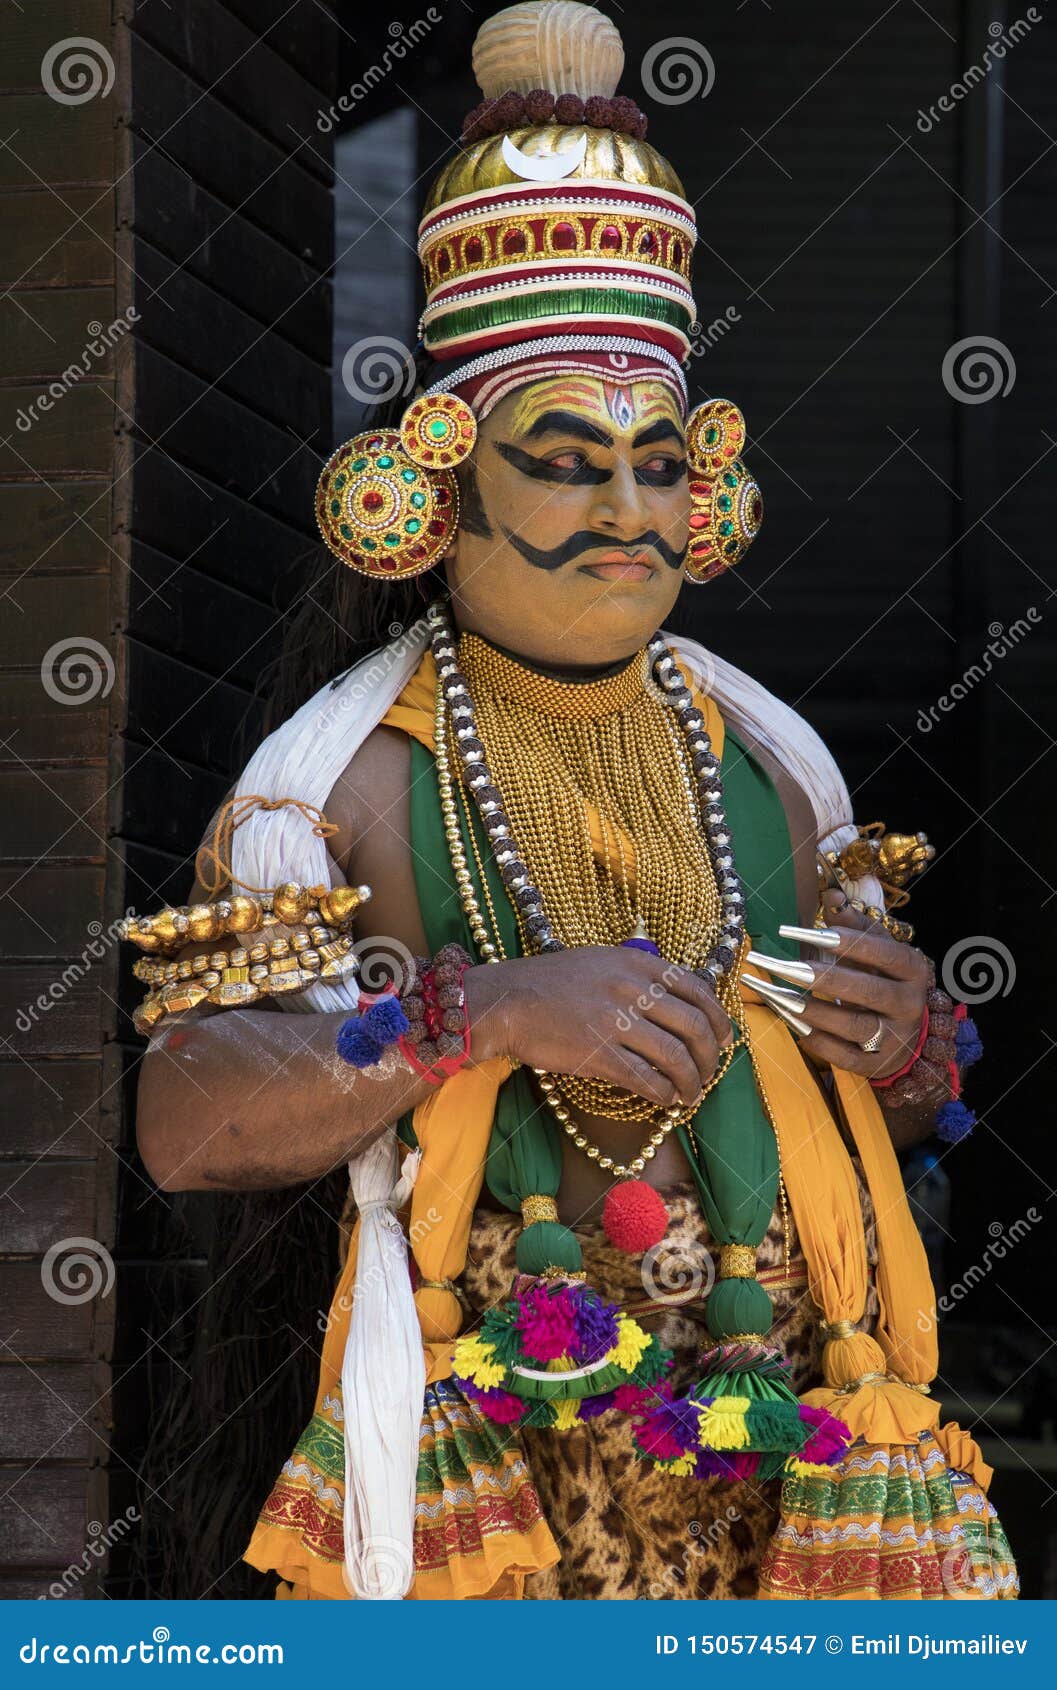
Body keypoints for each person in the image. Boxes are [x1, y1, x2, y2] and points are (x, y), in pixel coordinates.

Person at [130, 1, 1015, 1602]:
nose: (626, 505)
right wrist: (477, 1013)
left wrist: (901, 1048)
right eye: (564, 458)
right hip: (491, 1445)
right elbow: (189, 1125)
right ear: (435, 481)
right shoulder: (333, 782)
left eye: (659, 461)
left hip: (778, 1435)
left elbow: (892, 1116)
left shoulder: (777, 767)